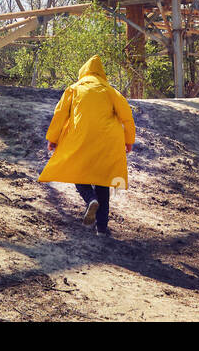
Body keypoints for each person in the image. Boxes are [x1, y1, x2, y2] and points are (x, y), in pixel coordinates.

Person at [38, 55, 135, 238]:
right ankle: (102, 229)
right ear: (101, 73)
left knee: (77, 170)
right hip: (108, 142)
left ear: (83, 72)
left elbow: (60, 114)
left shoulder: (74, 89)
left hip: (80, 138)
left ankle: (90, 199)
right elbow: (127, 116)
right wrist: (129, 140)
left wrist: (53, 138)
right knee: (102, 181)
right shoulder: (110, 91)